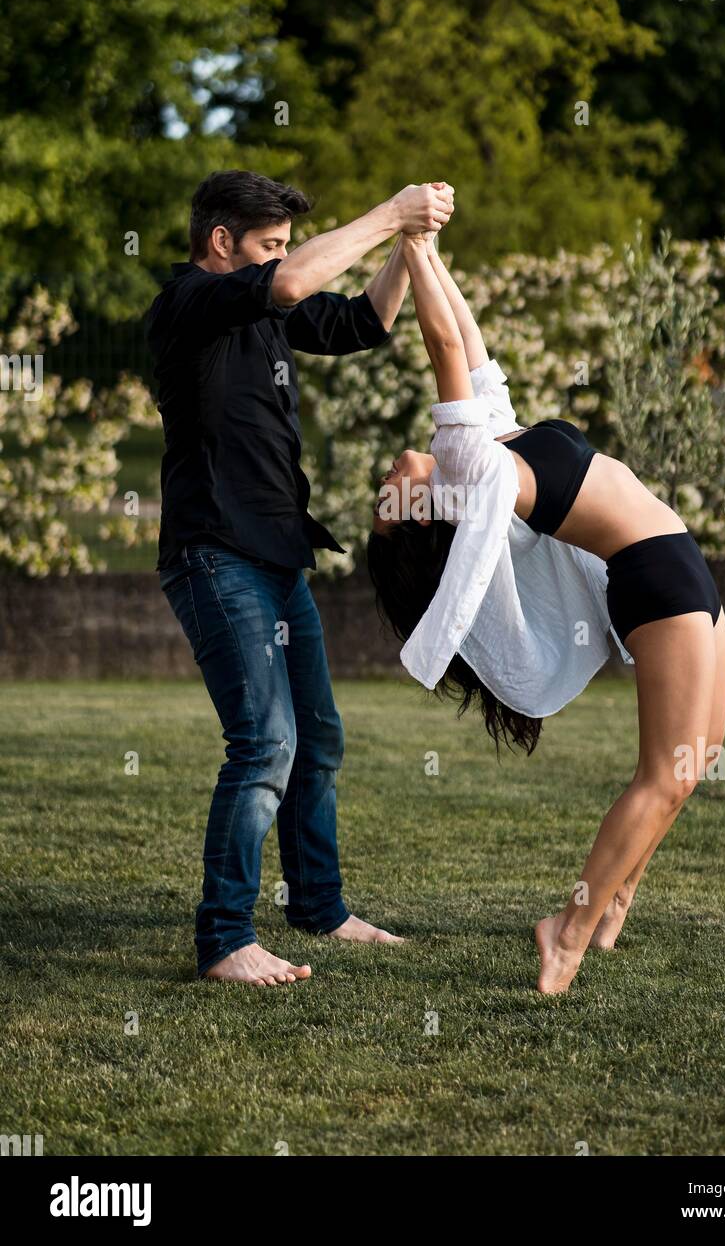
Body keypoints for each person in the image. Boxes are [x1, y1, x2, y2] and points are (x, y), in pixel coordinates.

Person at [367, 231, 725, 995]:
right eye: (384, 505)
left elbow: (465, 336)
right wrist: (404, 232)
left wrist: (425, 245)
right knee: (663, 775)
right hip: (651, 576)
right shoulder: (466, 463)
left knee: (696, 762)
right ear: (419, 516)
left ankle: (617, 895)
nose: (385, 479)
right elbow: (435, 338)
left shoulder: (496, 428)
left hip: (679, 563)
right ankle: (564, 930)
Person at [147, 169, 454, 985]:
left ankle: (318, 906)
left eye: (284, 243)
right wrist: (387, 210)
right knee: (264, 742)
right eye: (267, 242)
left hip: (279, 557)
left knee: (316, 740)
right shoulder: (189, 302)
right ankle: (223, 938)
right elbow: (287, 281)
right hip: (215, 555)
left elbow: (364, 321)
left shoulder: (266, 312)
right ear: (223, 243)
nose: (281, 260)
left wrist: (406, 243)